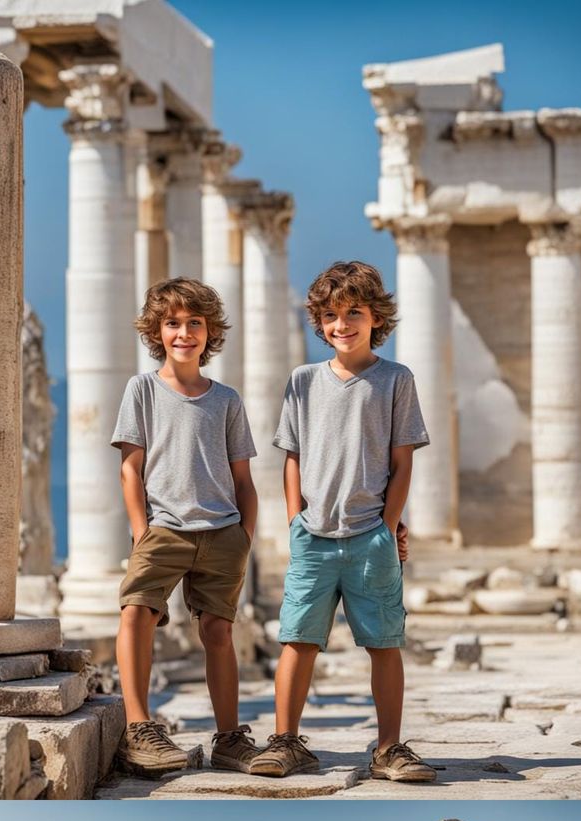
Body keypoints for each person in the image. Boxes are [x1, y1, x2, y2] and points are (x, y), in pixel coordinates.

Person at [249, 259, 434, 782]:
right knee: (298, 640)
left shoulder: (397, 380)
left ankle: (389, 748)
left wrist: (386, 525)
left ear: (376, 317)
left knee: (384, 643)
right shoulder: (302, 381)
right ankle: (285, 741)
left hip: (370, 535)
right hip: (313, 535)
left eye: (354, 312)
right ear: (319, 321)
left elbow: (403, 463)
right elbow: (292, 457)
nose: (342, 324)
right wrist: (294, 521)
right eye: (331, 315)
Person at [111, 277, 262, 777]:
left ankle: (229, 739)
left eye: (194, 323)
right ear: (157, 331)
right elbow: (131, 468)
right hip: (164, 529)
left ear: (209, 331)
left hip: (223, 532)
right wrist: (141, 530)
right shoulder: (142, 390)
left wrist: (245, 537)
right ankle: (139, 727)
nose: (183, 333)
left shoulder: (227, 400)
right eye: (172, 323)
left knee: (218, 632)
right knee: (136, 612)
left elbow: (243, 476)